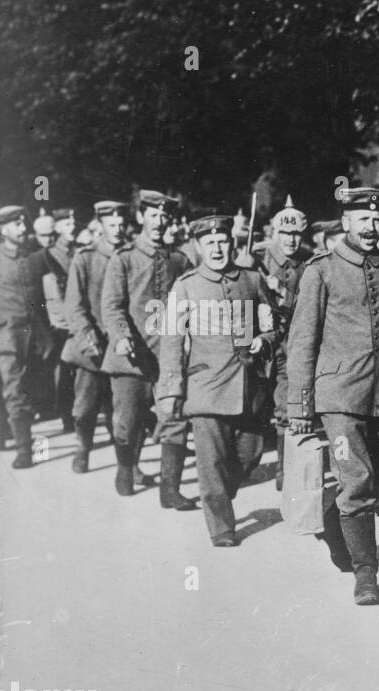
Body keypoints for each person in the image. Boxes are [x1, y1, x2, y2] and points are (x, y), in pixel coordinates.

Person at [287, 186, 379, 605]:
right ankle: (367, 574)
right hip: (339, 394)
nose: (372, 227)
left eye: (377, 220)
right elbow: (302, 340)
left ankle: (335, 520)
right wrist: (300, 404)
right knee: (358, 478)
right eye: (363, 220)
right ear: (345, 221)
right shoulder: (320, 271)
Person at [157, 215, 278, 546]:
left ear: (233, 243)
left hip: (248, 385)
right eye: (210, 243)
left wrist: (264, 340)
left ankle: (223, 492)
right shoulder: (185, 286)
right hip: (205, 387)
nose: (218, 249)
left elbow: (271, 323)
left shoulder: (252, 280)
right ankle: (222, 527)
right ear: (198, 246)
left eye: (223, 241)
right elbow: (170, 340)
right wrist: (171, 389)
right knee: (210, 463)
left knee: (251, 453)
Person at [100, 189, 194, 504]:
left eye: (163, 216)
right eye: (152, 215)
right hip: (131, 359)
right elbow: (112, 306)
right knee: (127, 422)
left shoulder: (179, 260)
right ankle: (126, 467)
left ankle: (170, 490)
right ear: (141, 217)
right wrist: (122, 335)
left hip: (168, 357)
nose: (158, 222)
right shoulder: (123, 258)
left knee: (174, 419)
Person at [247, 195, 311, 490]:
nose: (291, 240)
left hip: (291, 344)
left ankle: (284, 473)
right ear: (274, 233)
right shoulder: (258, 257)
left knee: (286, 408)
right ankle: (242, 461)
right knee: (254, 406)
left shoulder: (310, 262)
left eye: (296, 233)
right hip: (259, 344)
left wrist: (282, 291)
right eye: (285, 233)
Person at [62, 201, 126, 473]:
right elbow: (74, 306)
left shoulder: (129, 255)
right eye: (111, 225)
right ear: (100, 226)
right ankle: (83, 448)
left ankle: (128, 464)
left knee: (123, 410)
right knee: (86, 407)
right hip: (92, 346)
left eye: (122, 224)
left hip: (121, 345)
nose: (118, 230)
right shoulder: (85, 258)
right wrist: (90, 342)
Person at [0, 204, 51, 468]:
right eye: (16, 224)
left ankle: (28, 439)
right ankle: (24, 451)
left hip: (34, 334)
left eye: (22, 222)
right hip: (6, 335)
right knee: (14, 391)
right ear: (3, 230)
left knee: (30, 388)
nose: (23, 227)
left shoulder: (31, 257)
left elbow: (41, 295)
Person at [27, 207, 78, 431]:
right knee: (63, 370)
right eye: (43, 236)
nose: (47, 240)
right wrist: (44, 330)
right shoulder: (37, 259)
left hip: (74, 319)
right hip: (54, 325)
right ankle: (65, 416)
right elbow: (34, 299)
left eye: (50, 235)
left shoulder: (74, 252)